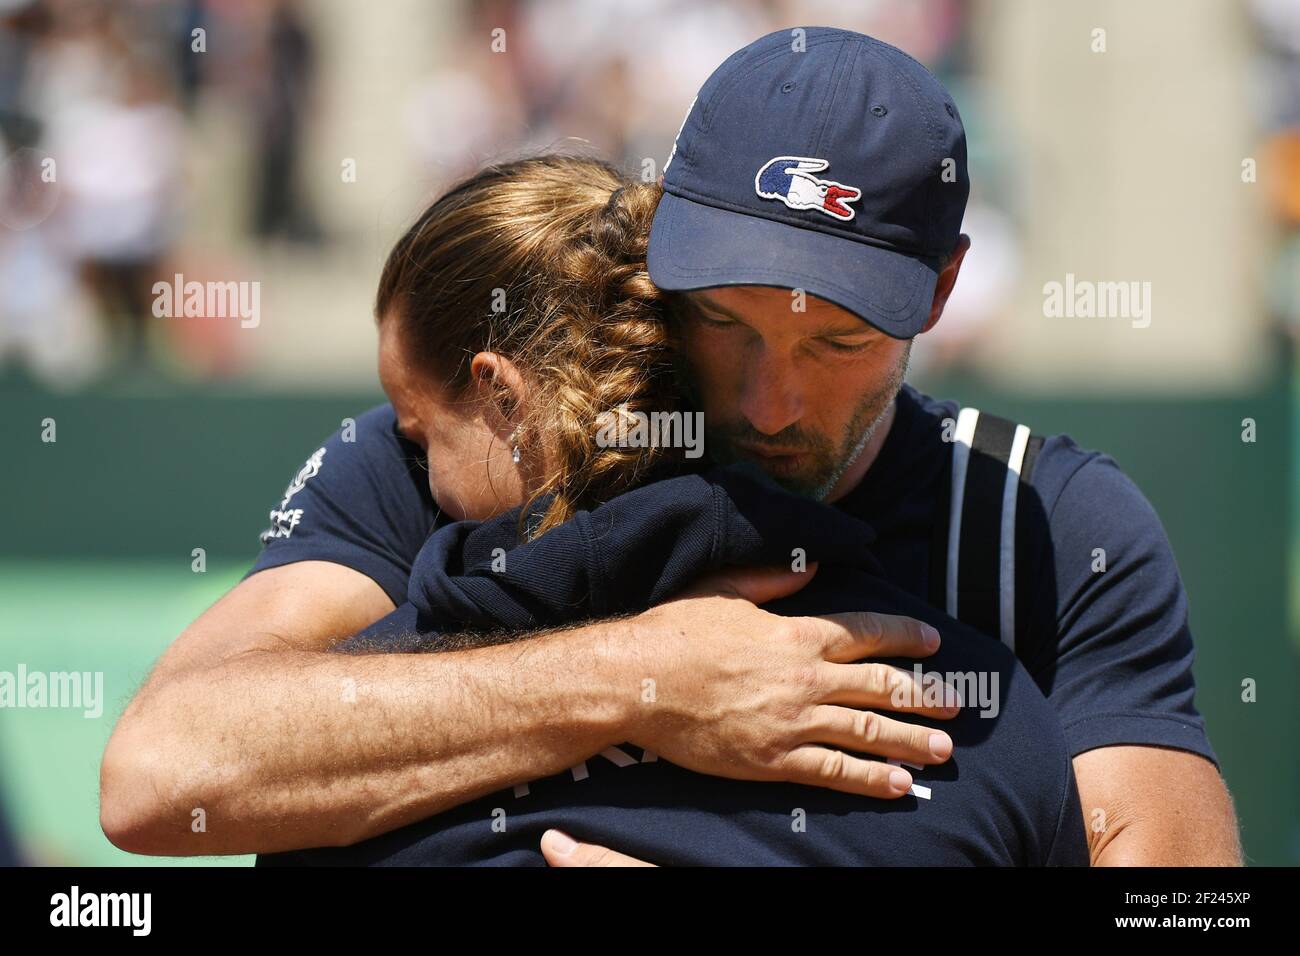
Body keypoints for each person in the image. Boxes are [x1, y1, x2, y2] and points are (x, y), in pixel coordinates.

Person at [101, 28, 1240, 866]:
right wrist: (644, 679)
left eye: (839, 337)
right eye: (725, 318)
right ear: (663, 244)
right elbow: (163, 776)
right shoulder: (459, 454)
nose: (774, 397)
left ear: (939, 292)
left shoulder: (1047, 523)